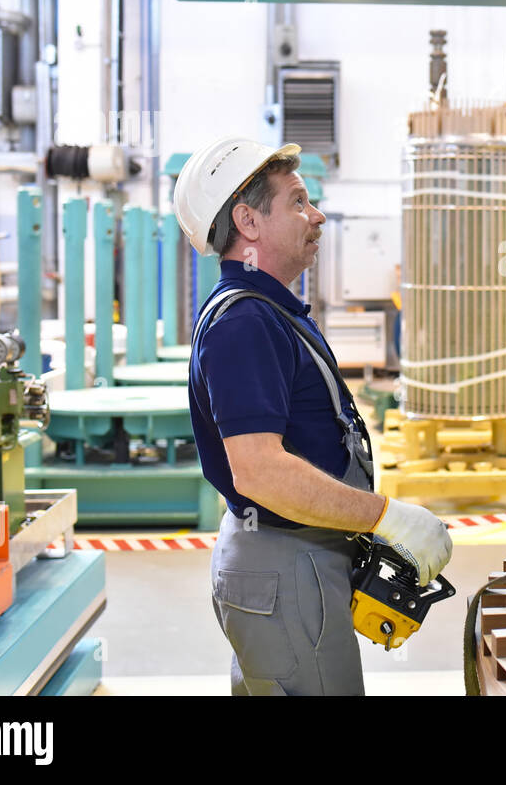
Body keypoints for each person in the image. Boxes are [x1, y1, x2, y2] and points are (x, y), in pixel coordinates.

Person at [173, 136, 452, 695]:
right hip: (284, 563)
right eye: (298, 202)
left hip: (299, 561)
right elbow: (260, 471)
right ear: (248, 222)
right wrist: (385, 517)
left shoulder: (268, 312)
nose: (317, 216)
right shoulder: (245, 324)